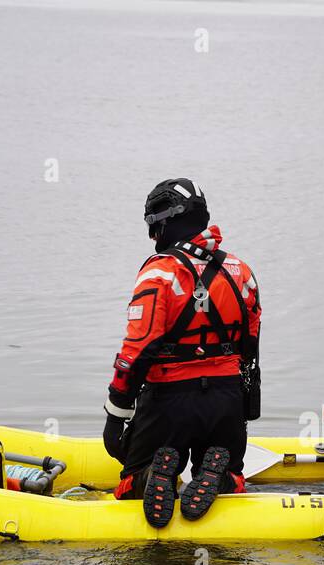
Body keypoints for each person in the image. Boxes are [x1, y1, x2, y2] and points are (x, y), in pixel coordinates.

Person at [103, 178, 262, 527]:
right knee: (231, 471)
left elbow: (137, 349)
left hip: (169, 402)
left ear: (164, 222)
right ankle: (220, 478)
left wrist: (115, 415)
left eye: (152, 227)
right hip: (226, 398)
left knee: (131, 483)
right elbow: (250, 345)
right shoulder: (240, 271)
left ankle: (152, 477)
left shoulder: (160, 270)